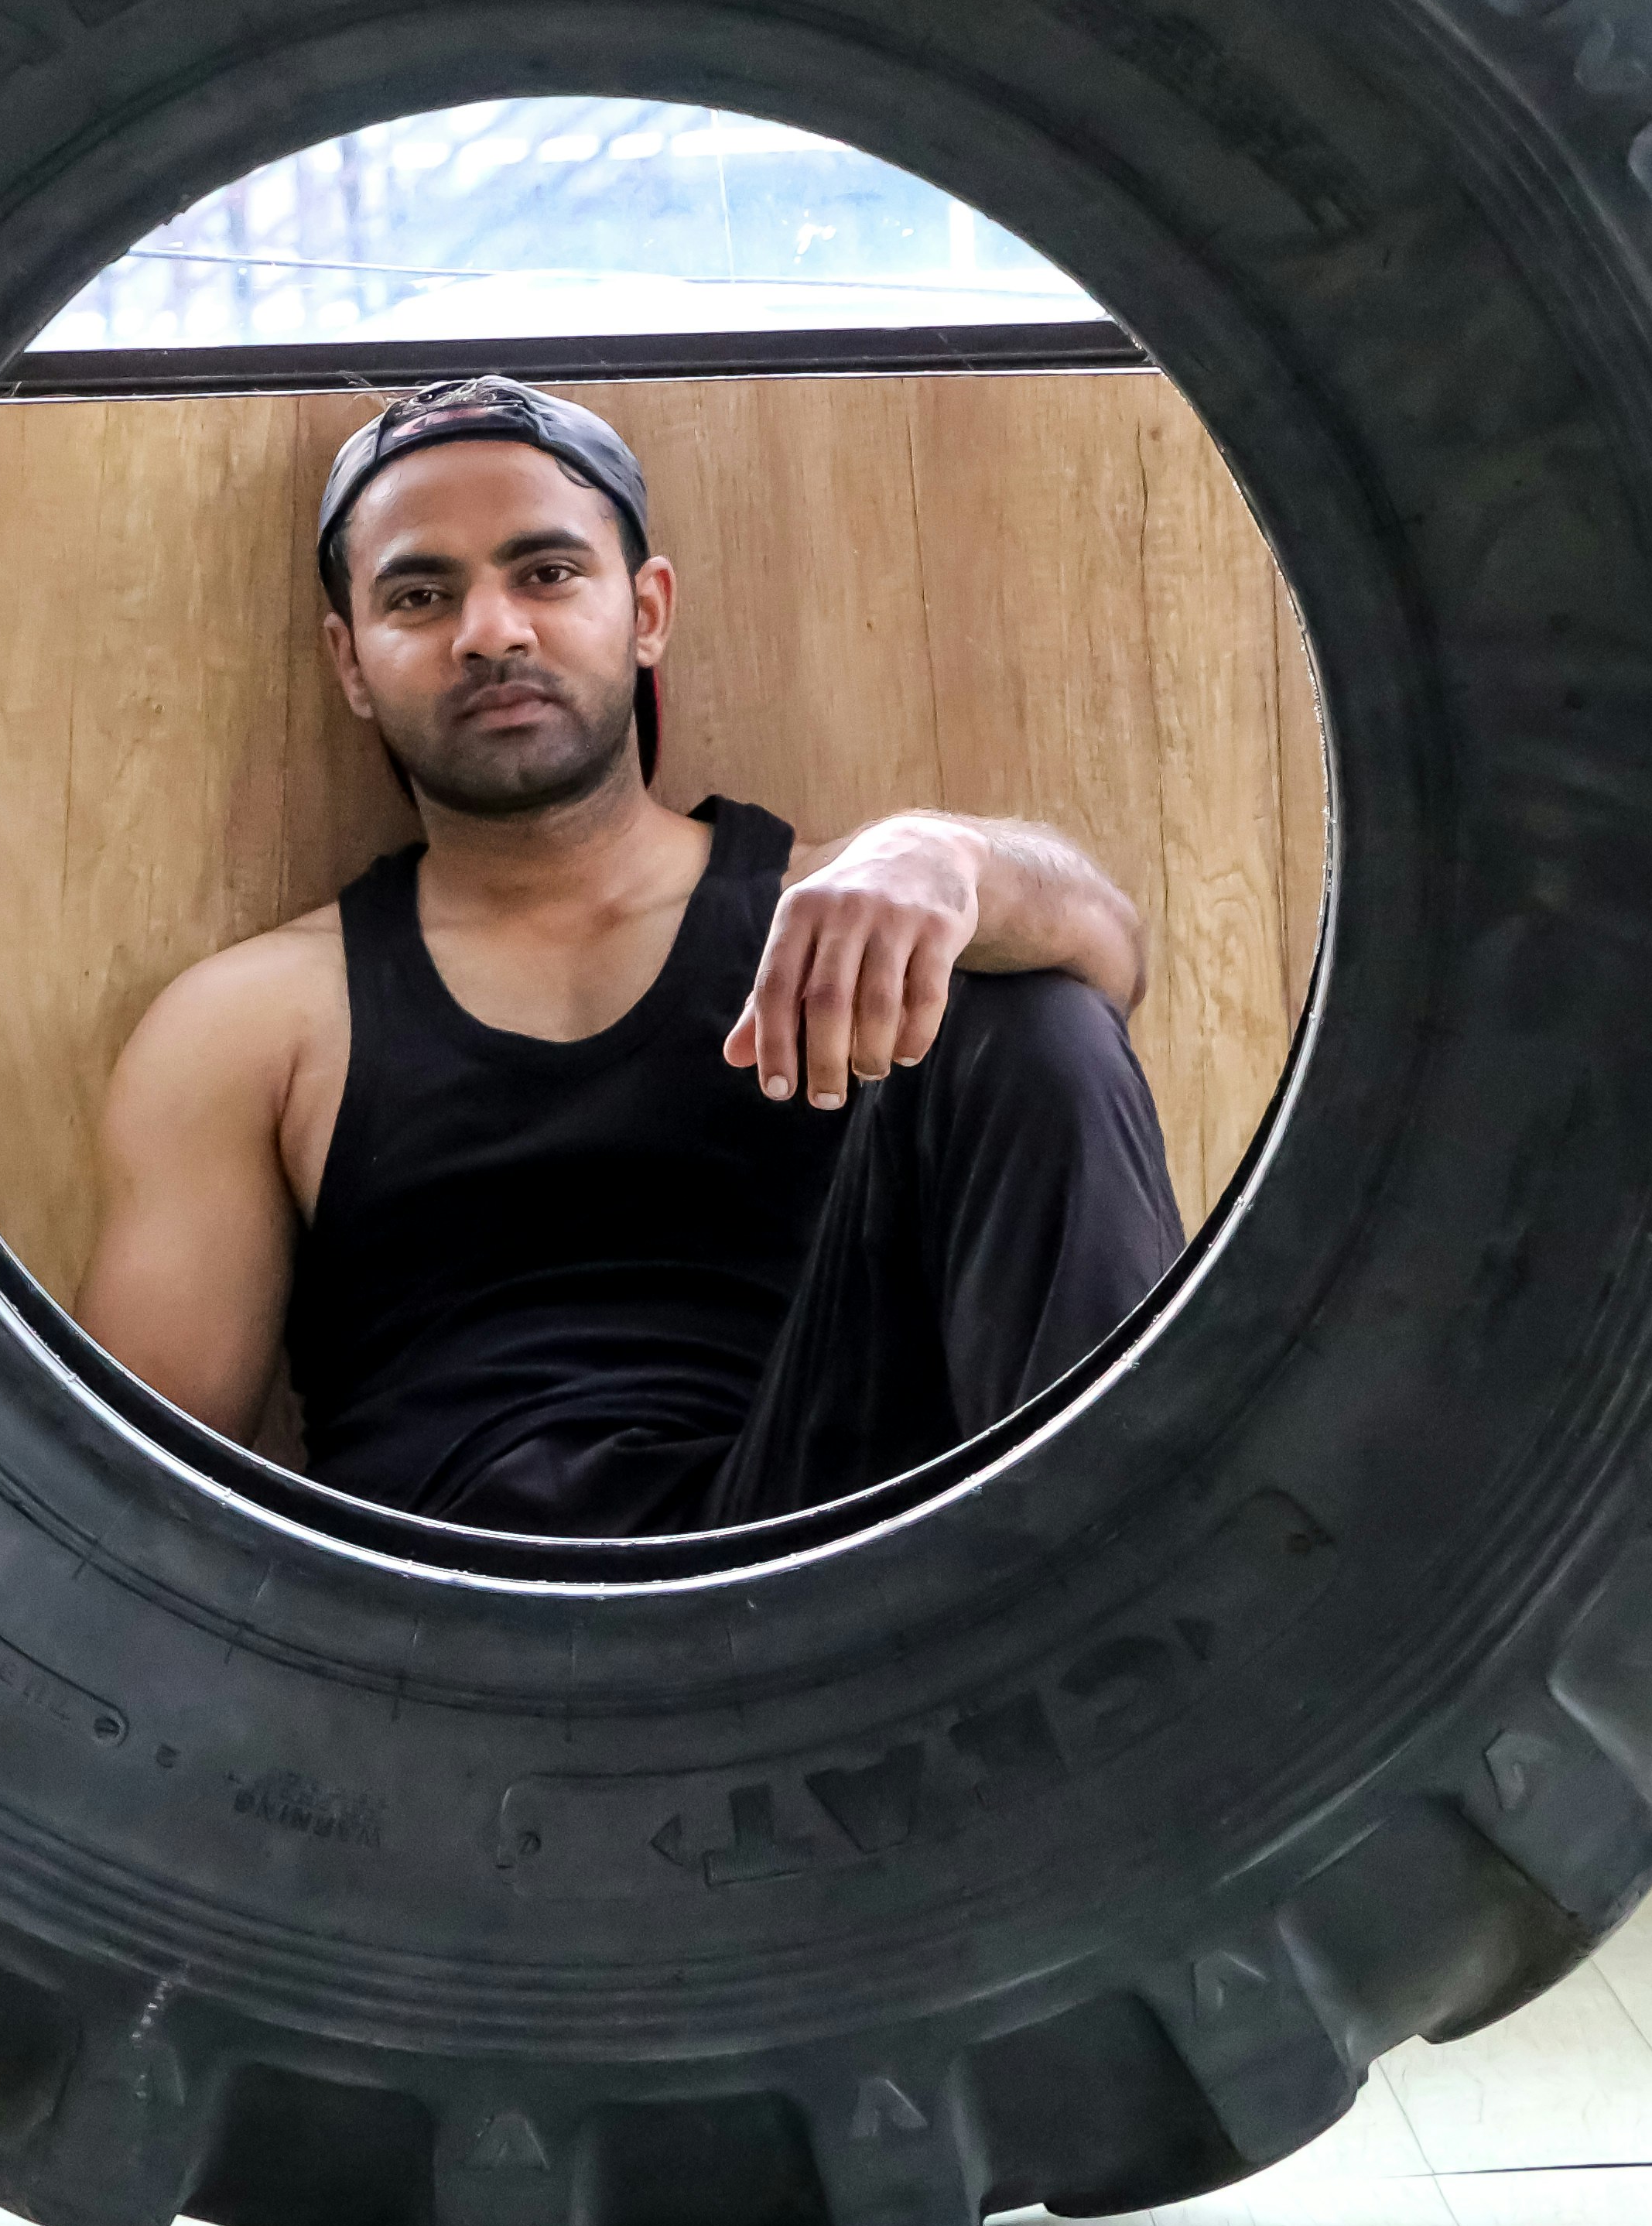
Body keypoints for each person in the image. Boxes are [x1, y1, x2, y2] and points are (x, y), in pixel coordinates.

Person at [73, 375, 1189, 1538]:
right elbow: (129, 1491)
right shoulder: (256, 1020)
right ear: (352, 662)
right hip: (453, 1624)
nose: (492, 631)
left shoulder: (830, 908)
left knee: (1025, 1003)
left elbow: (1107, 952)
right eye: (420, 594)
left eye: (546, 574)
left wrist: (951, 856)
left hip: (821, 1570)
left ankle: (1129, 1609)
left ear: (647, 611)